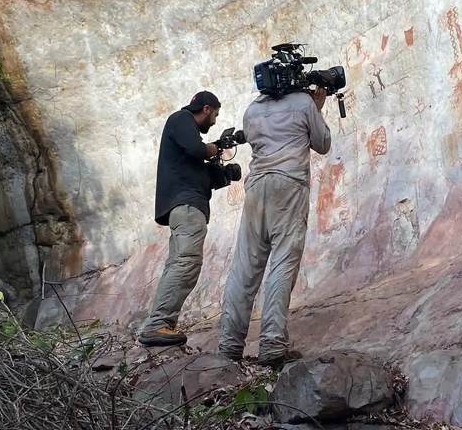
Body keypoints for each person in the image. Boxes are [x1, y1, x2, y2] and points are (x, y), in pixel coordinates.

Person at [217, 86, 331, 365]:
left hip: (257, 187)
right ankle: (272, 346)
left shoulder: (252, 109)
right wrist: (317, 107)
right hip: (288, 185)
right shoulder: (304, 103)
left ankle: (229, 347)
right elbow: (323, 143)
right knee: (282, 263)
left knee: (244, 267)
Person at [137, 91, 222, 347]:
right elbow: (197, 149)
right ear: (206, 109)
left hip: (184, 204)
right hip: (186, 206)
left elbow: (198, 165)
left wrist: (221, 172)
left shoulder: (184, 146)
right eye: (215, 115)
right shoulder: (181, 119)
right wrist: (212, 148)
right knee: (186, 263)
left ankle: (161, 324)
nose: (215, 121)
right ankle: (157, 325)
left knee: (178, 264)